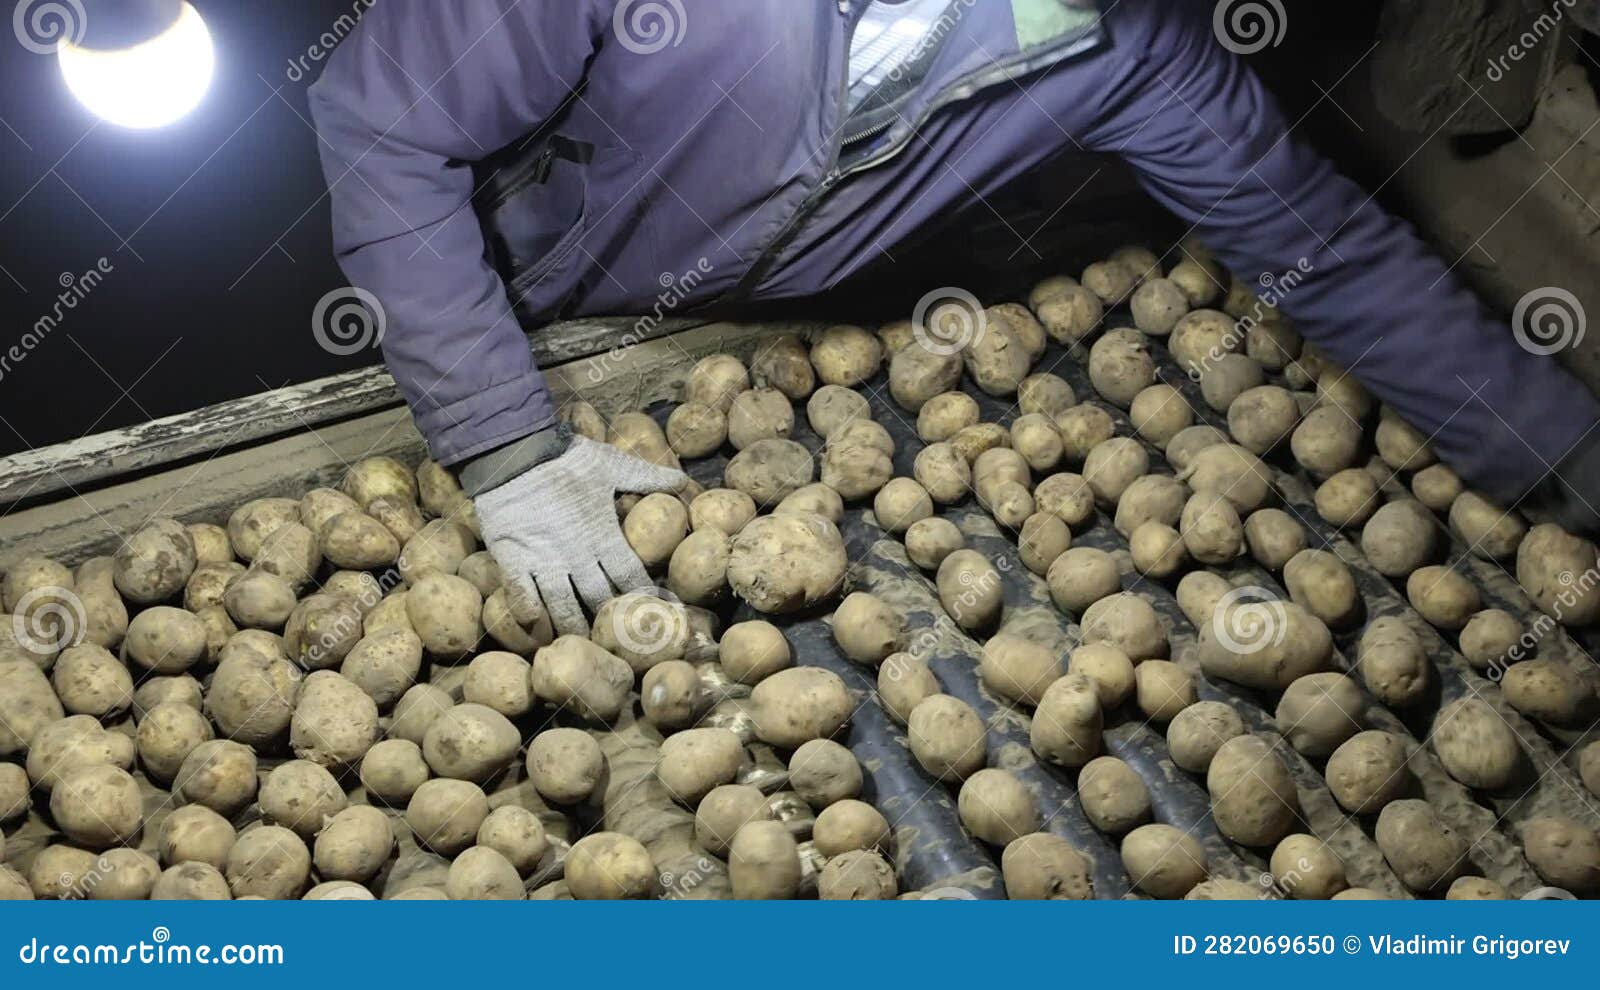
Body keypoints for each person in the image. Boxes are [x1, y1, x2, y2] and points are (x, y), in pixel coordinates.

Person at [310, 0, 1600, 634]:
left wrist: (1563, 452)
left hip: (727, 338)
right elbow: (382, 122)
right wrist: (503, 444)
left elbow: (1322, 250)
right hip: (492, 302)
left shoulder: (1112, 38)